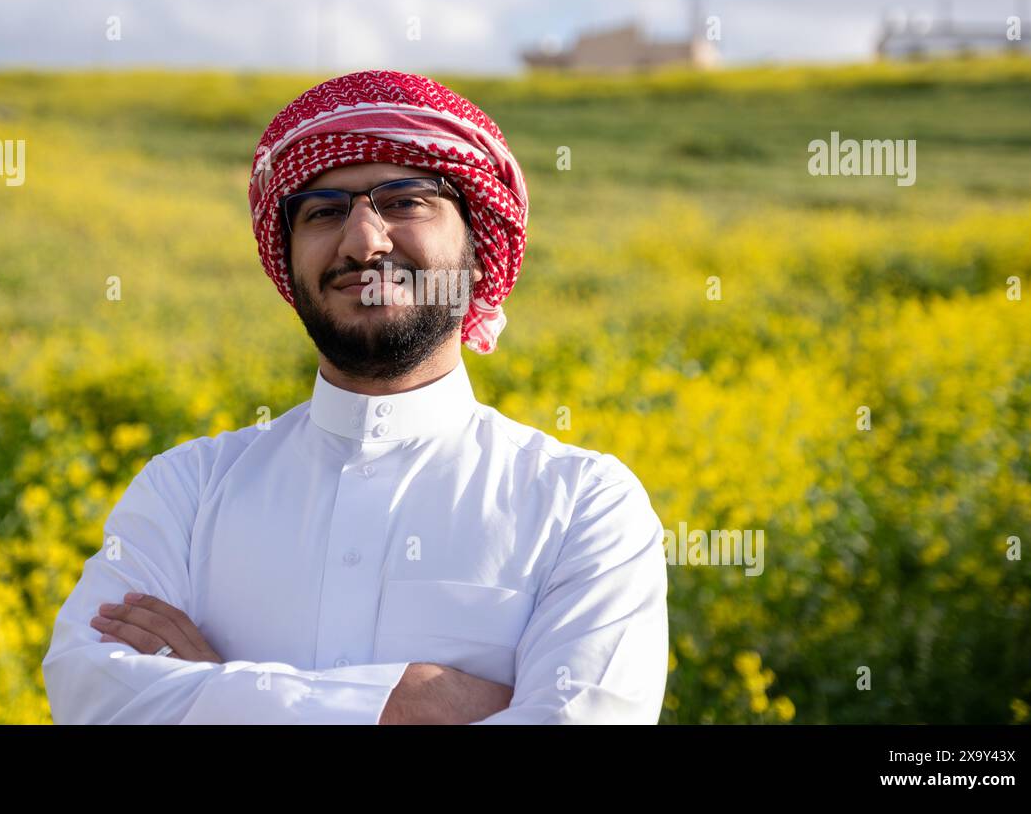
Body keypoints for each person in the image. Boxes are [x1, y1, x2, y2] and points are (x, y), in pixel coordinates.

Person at [41, 69, 668, 724]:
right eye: (324, 212)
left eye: (404, 202)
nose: (364, 241)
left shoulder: (583, 507)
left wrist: (219, 691)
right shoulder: (186, 492)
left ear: (479, 249)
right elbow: (94, 700)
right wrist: (409, 703)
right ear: (287, 260)